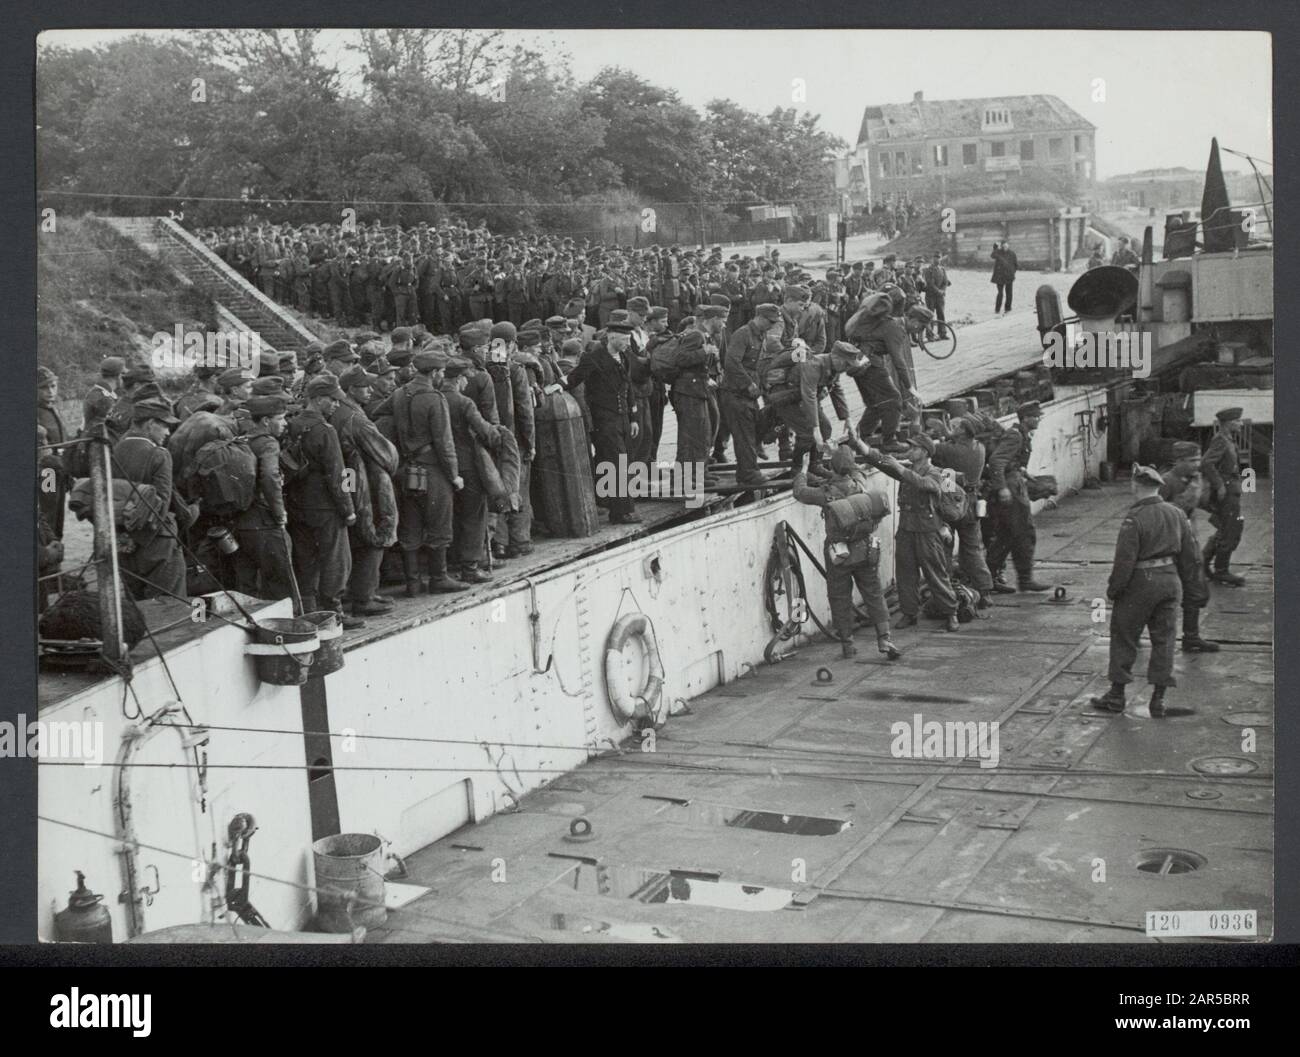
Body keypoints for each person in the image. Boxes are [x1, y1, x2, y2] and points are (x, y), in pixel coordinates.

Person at [1090, 464, 1200, 718]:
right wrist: (1187, 586)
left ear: (1135, 486)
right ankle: (1158, 700)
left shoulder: (1134, 518)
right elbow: (1190, 555)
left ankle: (1116, 696)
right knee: (1165, 640)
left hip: (1140, 582)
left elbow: (1124, 561)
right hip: (1169, 581)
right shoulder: (1177, 513)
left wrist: (1114, 590)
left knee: (1124, 635)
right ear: (1158, 487)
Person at [792, 439, 902, 661]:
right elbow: (853, 468)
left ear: (831, 468)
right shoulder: (860, 482)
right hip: (865, 548)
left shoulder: (826, 493)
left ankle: (848, 644)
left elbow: (799, 492)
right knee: (873, 593)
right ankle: (884, 638)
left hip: (838, 553)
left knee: (839, 596)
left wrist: (803, 469)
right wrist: (841, 454)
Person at [284, 373, 362, 629]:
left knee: (305, 559)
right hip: (326, 507)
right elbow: (338, 475)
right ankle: (333, 614)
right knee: (336, 560)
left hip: (298, 505)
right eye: (332, 400)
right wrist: (348, 509)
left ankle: (309, 613)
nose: (337, 405)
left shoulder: (293, 424)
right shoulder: (326, 431)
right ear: (317, 400)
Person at [863, 432, 961, 632]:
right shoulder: (907, 471)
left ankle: (951, 612)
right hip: (907, 528)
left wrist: (898, 467)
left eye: (913, 448)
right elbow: (882, 463)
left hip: (928, 530)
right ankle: (910, 613)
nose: (909, 451)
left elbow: (924, 484)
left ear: (924, 452)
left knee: (935, 573)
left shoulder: (937, 473)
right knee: (905, 573)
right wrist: (860, 446)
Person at [333, 365, 400, 617]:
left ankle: (358, 591)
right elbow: (386, 455)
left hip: (345, 479)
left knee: (354, 535)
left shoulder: (338, 411)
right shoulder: (356, 418)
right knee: (375, 531)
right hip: (364, 481)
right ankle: (364, 596)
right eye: (364, 387)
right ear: (351, 389)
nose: (370, 391)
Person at [564, 313, 642, 523]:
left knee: (621, 460)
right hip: (604, 420)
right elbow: (574, 378)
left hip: (623, 418)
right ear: (612, 338)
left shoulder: (624, 357)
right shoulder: (594, 359)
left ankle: (610, 502)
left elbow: (628, 388)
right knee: (617, 463)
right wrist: (555, 386)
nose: (627, 344)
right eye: (624, 340)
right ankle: (622, 511)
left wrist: (633, 416)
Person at [111, 397, 187, 601]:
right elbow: (160, 505)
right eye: (164, 426)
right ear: (150, 424)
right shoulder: (159, 454)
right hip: (157, 543)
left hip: (123, 542)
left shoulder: (114, 450)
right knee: (169, 607)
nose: (167, 433)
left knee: (137, 607)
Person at [231, 394, 295, 604]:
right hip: (266, 523)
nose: (285, 423)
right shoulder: (268, 444)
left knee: (246, 588)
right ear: (266, 421)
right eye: (281, 418)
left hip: (240, 524)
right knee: (280, 584)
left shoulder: (240, 440)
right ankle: (285, 630)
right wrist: (280, 513)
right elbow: (270, 477)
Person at [1158, 440, 1219, 652]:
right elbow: (1155, 513)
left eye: (1198, 458)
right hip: (1169, 546)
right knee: (1160, 594)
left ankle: (1191, 637)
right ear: (1179, 461)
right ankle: (1139, 633)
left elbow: (1198, 503)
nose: (1197, 463)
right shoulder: (1166, 482)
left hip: (1190, 543)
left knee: (1195, 590)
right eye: (1192, 460)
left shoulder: (1194, 478)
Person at [984, 401, 1051, 592]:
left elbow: (1010, 461)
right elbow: (996, 461)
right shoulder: (1015, 436)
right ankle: (1025, 580)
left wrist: (1022, 470)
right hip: (1011, 491)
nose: (1038, 419)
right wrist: (1002, 488)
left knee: (1005, 537)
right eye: (1035, 416)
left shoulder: (1020, 434)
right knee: (1024, 533)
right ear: (1025, 418)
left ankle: (986, 579)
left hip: (1013, 484)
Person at [933, 416, 995, 608]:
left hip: (950, 502)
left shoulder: (949, 450)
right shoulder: (979, 448)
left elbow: (937, 456)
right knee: (972, 549)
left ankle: (946, 591)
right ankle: (984, 591)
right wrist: (947, 434)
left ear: (962, 431)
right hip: (972, 502)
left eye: (956, 426)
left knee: (944, 548)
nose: (953, 426)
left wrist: (943, 433)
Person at [721, 304, 783, 487]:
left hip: (749, 395)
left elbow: (758, 364)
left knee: (756, 430)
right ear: (760, 317)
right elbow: (731, 362)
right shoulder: (743, 334)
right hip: (735, 393)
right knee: (745, 435)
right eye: (770, 321)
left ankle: (748, 468)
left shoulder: (760, 335)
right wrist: (748, 383)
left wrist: (763, 384)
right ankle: (748, 474)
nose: (772, 326)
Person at [845, 295, 913, 454]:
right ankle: (890, 441)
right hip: (872, 364)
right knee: (894, 399)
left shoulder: (870, 320)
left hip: (859, 362)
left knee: (874, 405)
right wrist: (909, 386)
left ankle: (856, 440)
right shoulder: (891, 326)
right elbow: (898, 360)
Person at [1200, 406, 1247, 586]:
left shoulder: (1227, 439)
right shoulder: (1220, 440)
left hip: (1231, 489)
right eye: (1237, 421)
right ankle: (1221, 571)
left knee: (1226, 528)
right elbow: (1206, 463)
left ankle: (1203, 562)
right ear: (1228, 423)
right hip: (1226, 491)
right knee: (1230, 529)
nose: (1240, 424)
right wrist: (1219, 485)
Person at [36, 366, 69, 540]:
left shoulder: (53, 409)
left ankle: (56, 549)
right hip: (46, 472)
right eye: (44, 388)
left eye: (53, 386)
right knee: (48, 511)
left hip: (59, 469)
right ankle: (47, 553)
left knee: (58, 512)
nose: (50, 392)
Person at [991, 241, 1017, 315]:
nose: (1005, 247)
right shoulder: (998, 252)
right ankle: (997, 309)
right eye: (1004, 246)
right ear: (1002, 246)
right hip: (999, 276)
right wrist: (996, 247)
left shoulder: (1012, 253)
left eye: (1006, 246)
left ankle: (1008, 308)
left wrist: (1012, 272)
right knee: (1000, 293)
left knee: (1009, 293)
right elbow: (992, 255)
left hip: (1009, 276)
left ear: (1008, 246)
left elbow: (1015, 265)